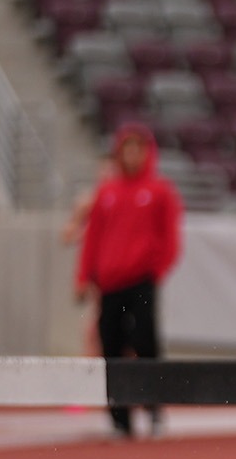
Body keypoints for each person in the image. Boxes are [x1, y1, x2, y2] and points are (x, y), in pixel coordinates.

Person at [76, 123, 183, 438]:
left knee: (145, 340)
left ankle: (153, 405)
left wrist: (157, 270)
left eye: (138, 149)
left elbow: (170, 237)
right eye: (127, 149)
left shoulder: (160, 191)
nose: (132, 156)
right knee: (111, 345)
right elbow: (93, 238)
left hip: (141, 281)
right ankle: (119, 417)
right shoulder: (107, 193)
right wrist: (84, 276)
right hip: (110, 284)